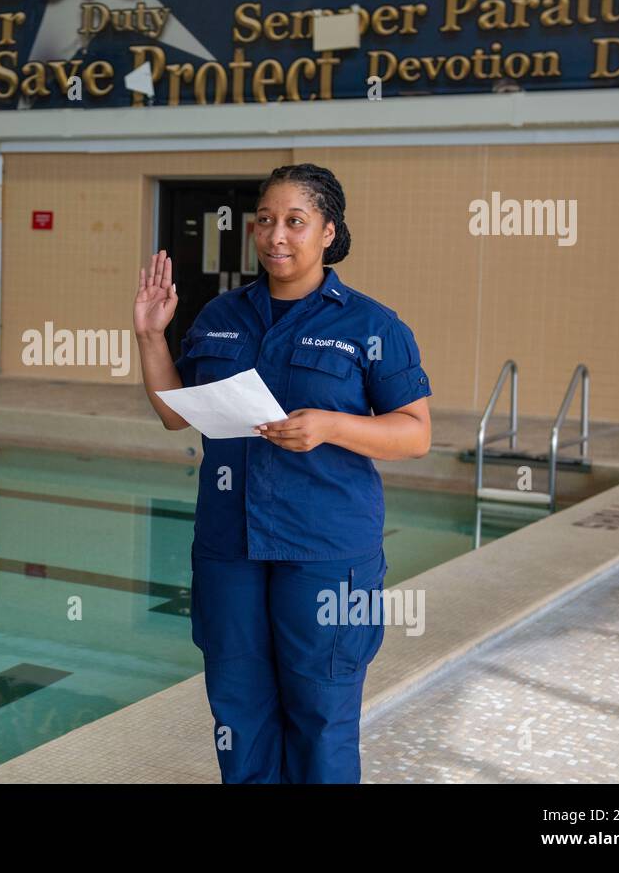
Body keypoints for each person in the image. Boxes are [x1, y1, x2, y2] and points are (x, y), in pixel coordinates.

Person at [133, 164, 432, 783]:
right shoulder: (221, 314)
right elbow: (173, 414)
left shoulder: (370, 327)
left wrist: (331, 426)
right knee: (238, 708)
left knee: (322, 712)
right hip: (230, 547)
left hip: (325, 551)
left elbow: (415, 433)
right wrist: (152, 338)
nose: (276, 235)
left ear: (328, 231)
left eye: (295, 221)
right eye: (265, 220)